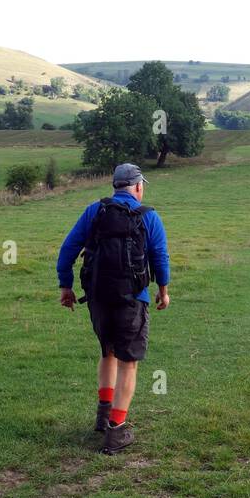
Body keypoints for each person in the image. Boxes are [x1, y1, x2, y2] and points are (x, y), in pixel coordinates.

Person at [56, 163, 169, 453]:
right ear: (138, 187)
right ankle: (116, 431)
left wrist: (66, 286)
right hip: (133, 297)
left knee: (107, 352)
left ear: (115, 186)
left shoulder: (95, 211)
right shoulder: (149, 216)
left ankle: (103, 416)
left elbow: (68, 249)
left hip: (97, 296)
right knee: (128, 361)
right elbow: (160, 256)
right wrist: (163, 290)